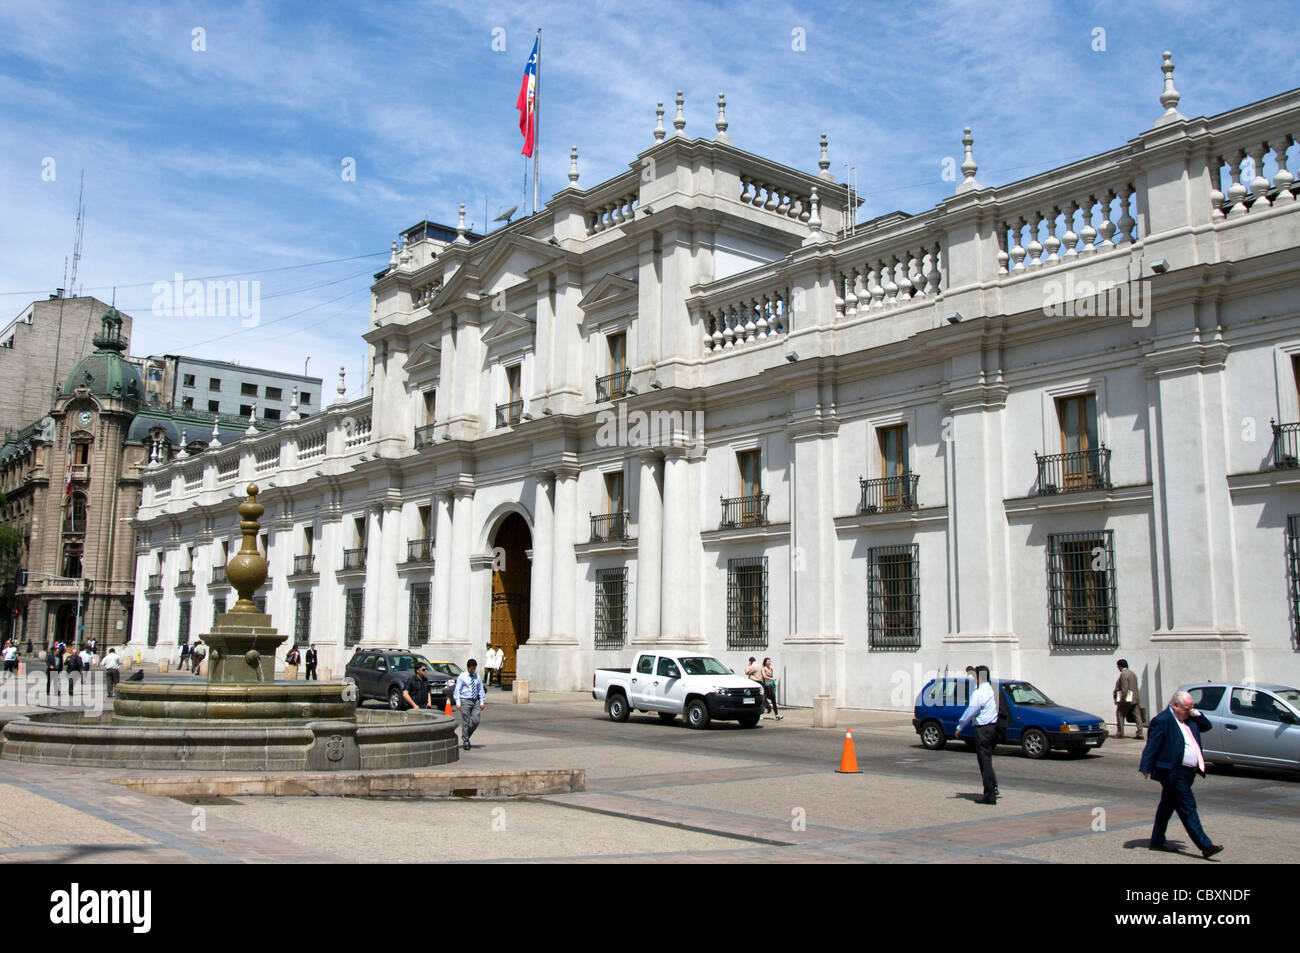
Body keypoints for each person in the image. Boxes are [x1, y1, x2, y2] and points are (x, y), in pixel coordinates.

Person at [1140, 690, 1223, 858]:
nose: (1189, 711)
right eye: (1187, 708)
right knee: (1188, 807)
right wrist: (1146, 767)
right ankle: (1205, 845)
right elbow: (1152, 745)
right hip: (1173, 772)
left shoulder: (1190, 718)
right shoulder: (1162, 720)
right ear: (1175, 706)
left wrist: (1195, 712)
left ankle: (1157, 840)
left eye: (1192, 707)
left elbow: (1207, 726)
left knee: (1167, 806)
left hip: (1189, 772)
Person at [954, 665, 999, 805]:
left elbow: (970, 711)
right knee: (988, 761)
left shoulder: (979, 693)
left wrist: (959, 726)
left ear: (979, 678)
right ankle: (993, 787)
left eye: (975, 677)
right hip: (993, 728)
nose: (974, 680)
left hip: (983, 730)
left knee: (984, 762)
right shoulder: (990, 689)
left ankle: (989, 795)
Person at [455, 658, 486, 751]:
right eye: (471, 669)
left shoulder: (477, 676)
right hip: (465, 700)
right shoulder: (462, 676)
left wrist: (481, 701)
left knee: (476, 721)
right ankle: (466, 740)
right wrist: (458, 702)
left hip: (475, 700)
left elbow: (480, 689)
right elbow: (458, 690)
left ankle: (466, 734)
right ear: (468, 668)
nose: (473, 670)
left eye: (474, 669)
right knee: (466, 721)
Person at [1114, 659, 1144, 739]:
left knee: (1120, 714)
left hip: (1127, 697)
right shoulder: (1132, 673)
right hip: (1135, 697)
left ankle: (1120, 732)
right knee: (1137, 715)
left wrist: (1121, 699)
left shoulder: (1123, 674)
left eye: (1118, 666)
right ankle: (1140, 732)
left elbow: (1124, 688)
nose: (1118, 668)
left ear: (1120, 666)